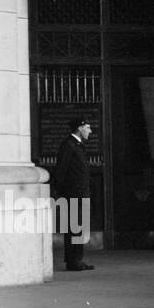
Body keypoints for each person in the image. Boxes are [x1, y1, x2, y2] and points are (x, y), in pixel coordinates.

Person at [55, 116, 95, 272]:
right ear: (80, 128)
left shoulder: (76, 145)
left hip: (80, 194)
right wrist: (61, 192)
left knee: (79, 228)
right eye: (88, 128)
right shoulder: (68, 145)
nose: (90, 131)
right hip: (73, 194)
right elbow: (61, 171)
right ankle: (73, 261)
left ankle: (77, 259)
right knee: (74, 228)